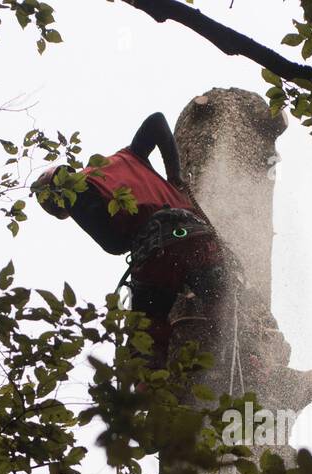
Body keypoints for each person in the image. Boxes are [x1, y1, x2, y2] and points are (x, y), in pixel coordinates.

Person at [32, 113, 236, 369]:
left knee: (144, 340)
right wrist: (174, 176)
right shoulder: (124, 158)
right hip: (198, 237)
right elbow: (157, 122)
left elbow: (113, 244)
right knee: (226, 307)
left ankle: (152, 395)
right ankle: (250, 365)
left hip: (157, 253)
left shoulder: (75, 193)